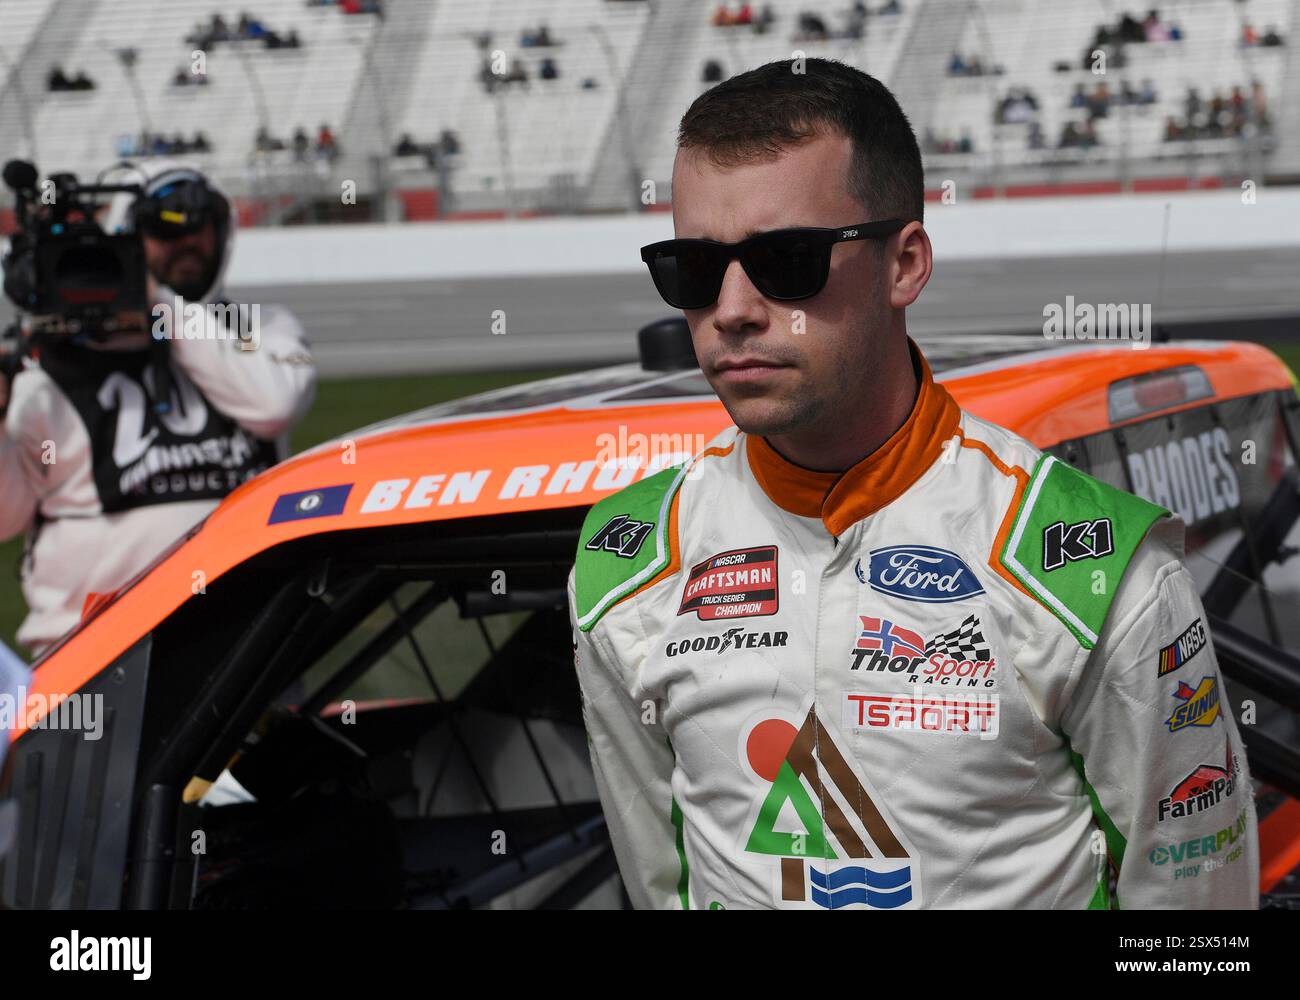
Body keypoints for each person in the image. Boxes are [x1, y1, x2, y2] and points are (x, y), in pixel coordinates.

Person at [568, 57, 1258, 909]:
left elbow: (1198, 921)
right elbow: (658, 882)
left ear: (906, 265)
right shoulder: (623, 563)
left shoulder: (1096, 570)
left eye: (787, 259)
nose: (734, 308)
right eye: (694, 268)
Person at [0, 161, 316, 657]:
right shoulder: (48, 360)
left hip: (247, 651)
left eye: (201, 225)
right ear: (122, 235)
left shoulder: (260, 328)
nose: (187, 241)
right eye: (163, 227)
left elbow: (272, 405)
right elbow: (4, 517)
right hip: (88, 655)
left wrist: (155, 300)